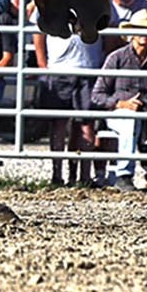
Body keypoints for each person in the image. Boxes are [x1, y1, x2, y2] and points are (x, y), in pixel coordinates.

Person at [90, 10, 147, 192]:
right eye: (140, 28)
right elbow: (97, 95)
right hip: (120, 111)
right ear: (132, 32)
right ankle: (124, 175)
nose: (144, 33)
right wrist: (121, 104)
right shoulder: (117, 57)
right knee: (129, 120)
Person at [33, 26, 105, 187]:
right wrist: (42, 64)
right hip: (58, 69)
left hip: (89, 69)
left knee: (87, 124)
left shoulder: (97, 0)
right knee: (58, 123)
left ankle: (84, 177)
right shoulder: (51, 2)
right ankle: (57, 175)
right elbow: (38, 30)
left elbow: (110, 29)